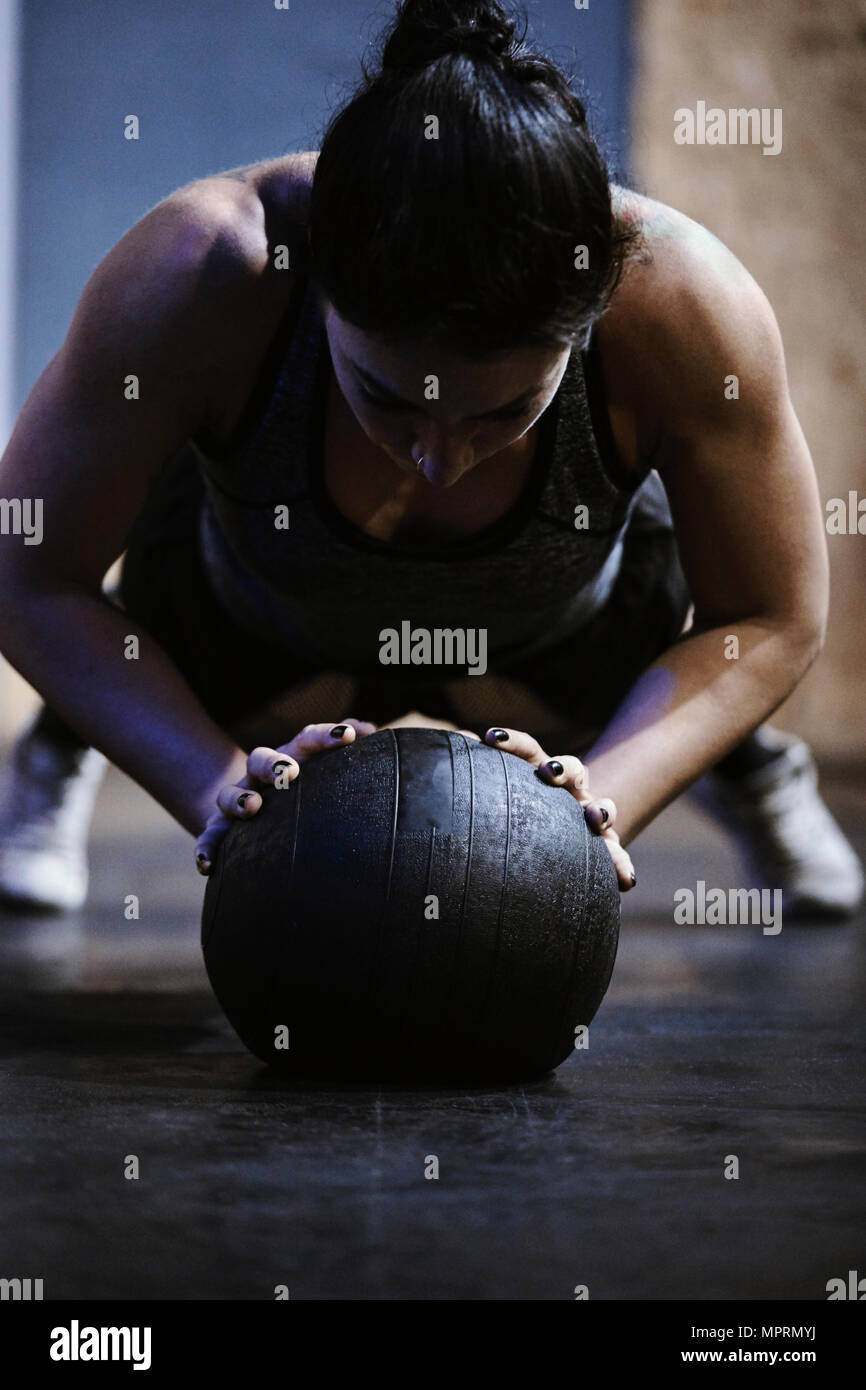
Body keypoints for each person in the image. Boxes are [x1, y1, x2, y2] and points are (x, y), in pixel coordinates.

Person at [0, 0, 860, 918]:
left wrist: (600, 801)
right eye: (389, 397)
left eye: (505, 411)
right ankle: (63, 742)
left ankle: (744, 763)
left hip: (568, 646)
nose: (438, 459)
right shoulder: (207, 270)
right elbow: (29, 576)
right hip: (249, 636)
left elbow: (769, 614)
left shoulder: (684, 301)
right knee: (139, 589)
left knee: (684, 648)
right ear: (320, 283)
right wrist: (219, 787)